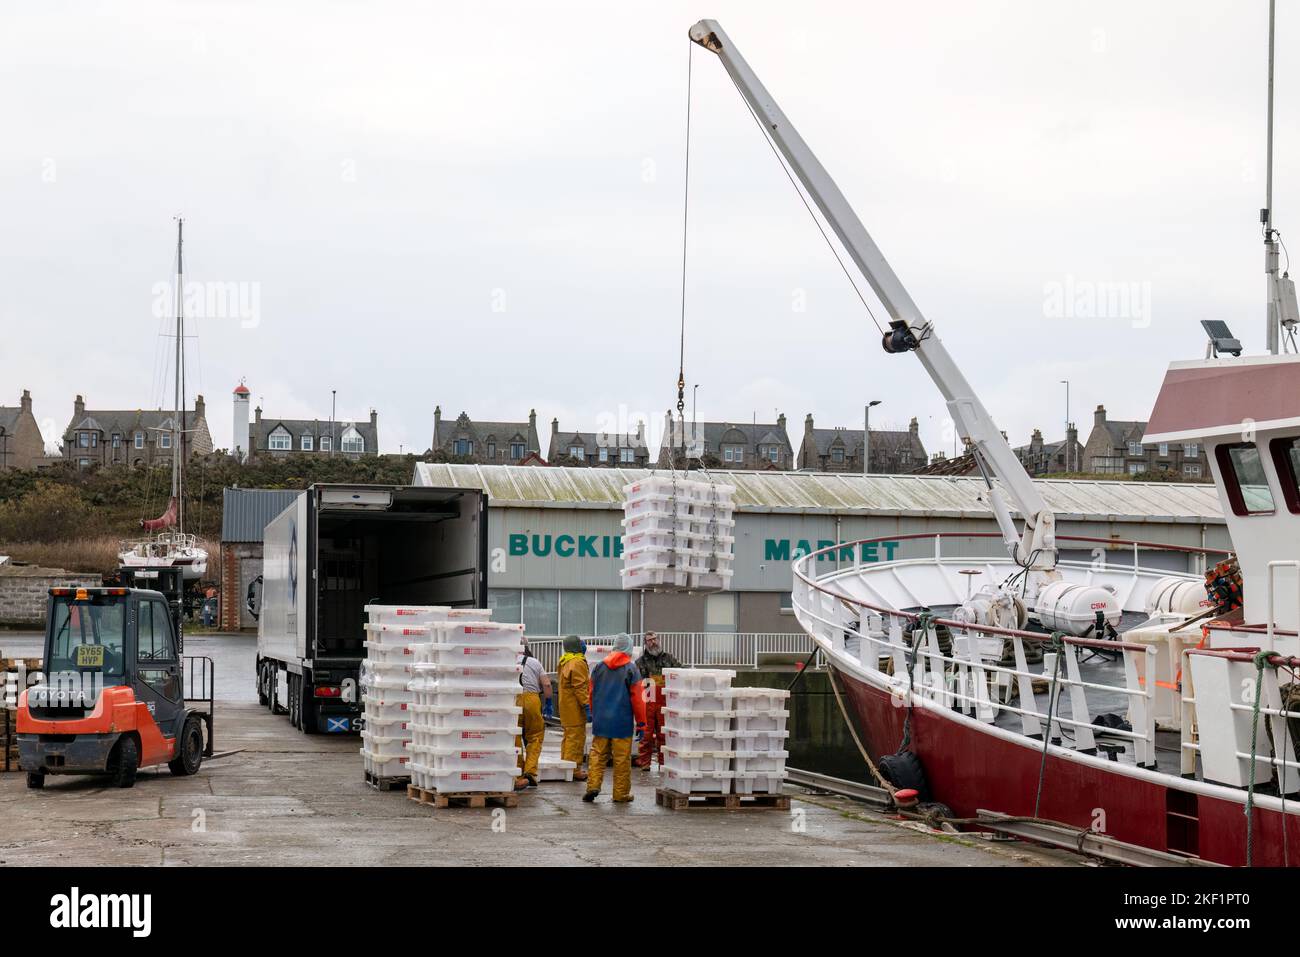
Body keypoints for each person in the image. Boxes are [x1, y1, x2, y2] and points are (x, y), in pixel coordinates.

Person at [583, 633, 646, 804]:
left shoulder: (599, 667)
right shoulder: (631, 669)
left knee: (597, 754)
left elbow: (591, 692)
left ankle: (593, 786)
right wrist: (642, 723)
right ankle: (620, 794)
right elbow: (638, 699)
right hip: (622, 721)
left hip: (601, 720)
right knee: (621, 760)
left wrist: (592, 712)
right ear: (629, 648)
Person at [634, 631, 682, 770]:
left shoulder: (669, 659)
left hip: (665, 701)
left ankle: (664, 763)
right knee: (646, 735)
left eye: (655, 639)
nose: (653, 642)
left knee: (664, 734)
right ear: (645, 644)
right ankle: (644, 764)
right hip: (648, 700)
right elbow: (637, 683)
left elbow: (681, 673)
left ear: (659, 640)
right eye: (649, 640)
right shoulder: (640, 662)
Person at [514, 641, 552, 790]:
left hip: (513, 700)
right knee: (535, 736)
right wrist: (549, 702)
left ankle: (517, 775)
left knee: (514, 737)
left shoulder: (508, 661)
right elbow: (547, 684)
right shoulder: (534, 662)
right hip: (532, 700)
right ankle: (530, 771)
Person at [556, 635, 590, 781]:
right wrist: (587, 705)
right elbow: (580, 687)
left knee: (568, 738)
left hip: (566, 706)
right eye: (580, 642)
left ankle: (566, 766)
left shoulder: (565, 661)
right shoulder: (577, 663)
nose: (583, 644)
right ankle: (574, 768)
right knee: (575, 739)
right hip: (574, 708)